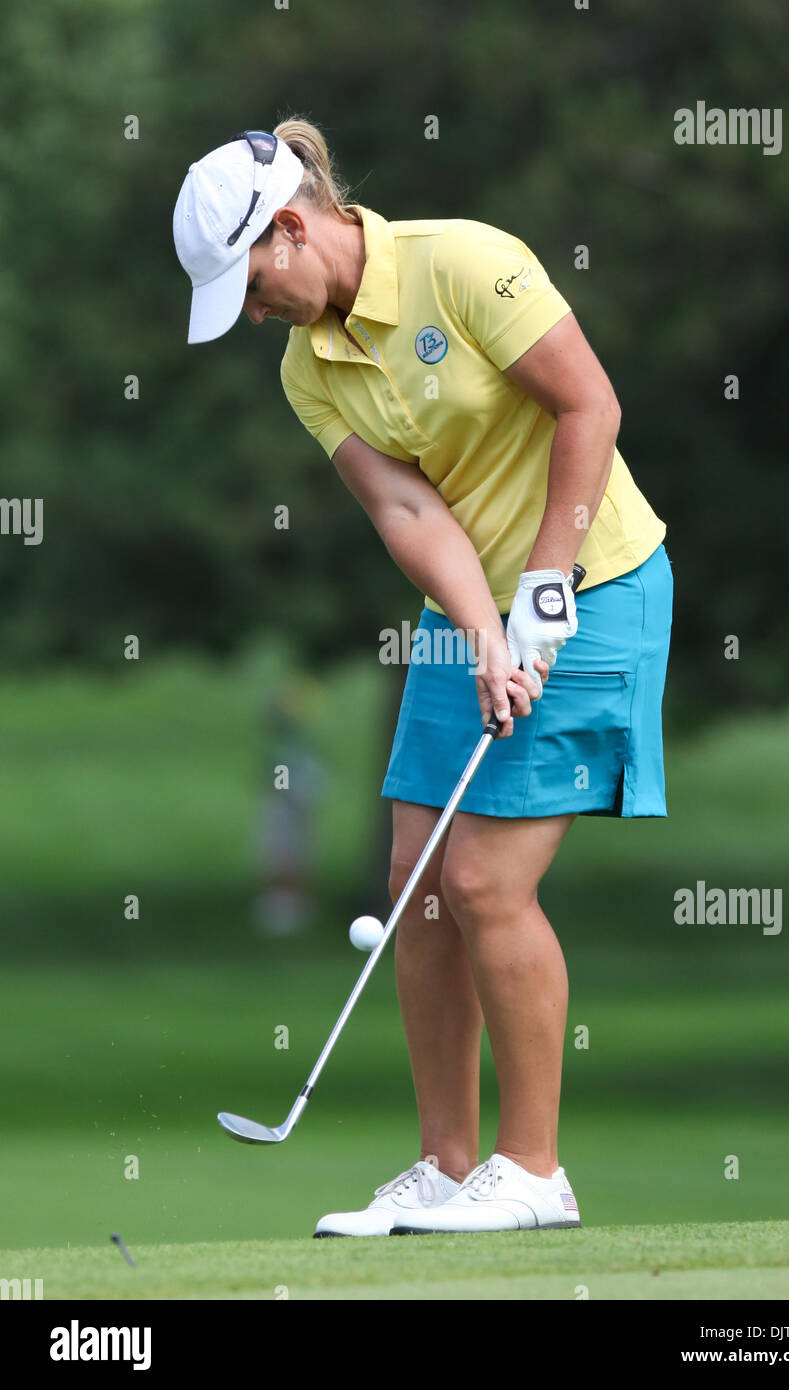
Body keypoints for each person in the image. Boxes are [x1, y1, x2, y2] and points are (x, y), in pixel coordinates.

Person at [173, 119, 673, 1236]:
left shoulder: (461, 262)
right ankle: (446, 1168)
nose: (254, 316)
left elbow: (588, 405)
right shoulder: (311, 368)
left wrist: (543, 590)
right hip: (471, 610)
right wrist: (482, 631)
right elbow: (407, 508)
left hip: (599, 583)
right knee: (416, 883)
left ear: (291, 228)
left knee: (487, 881)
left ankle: (533, 1171)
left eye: (252, 286)